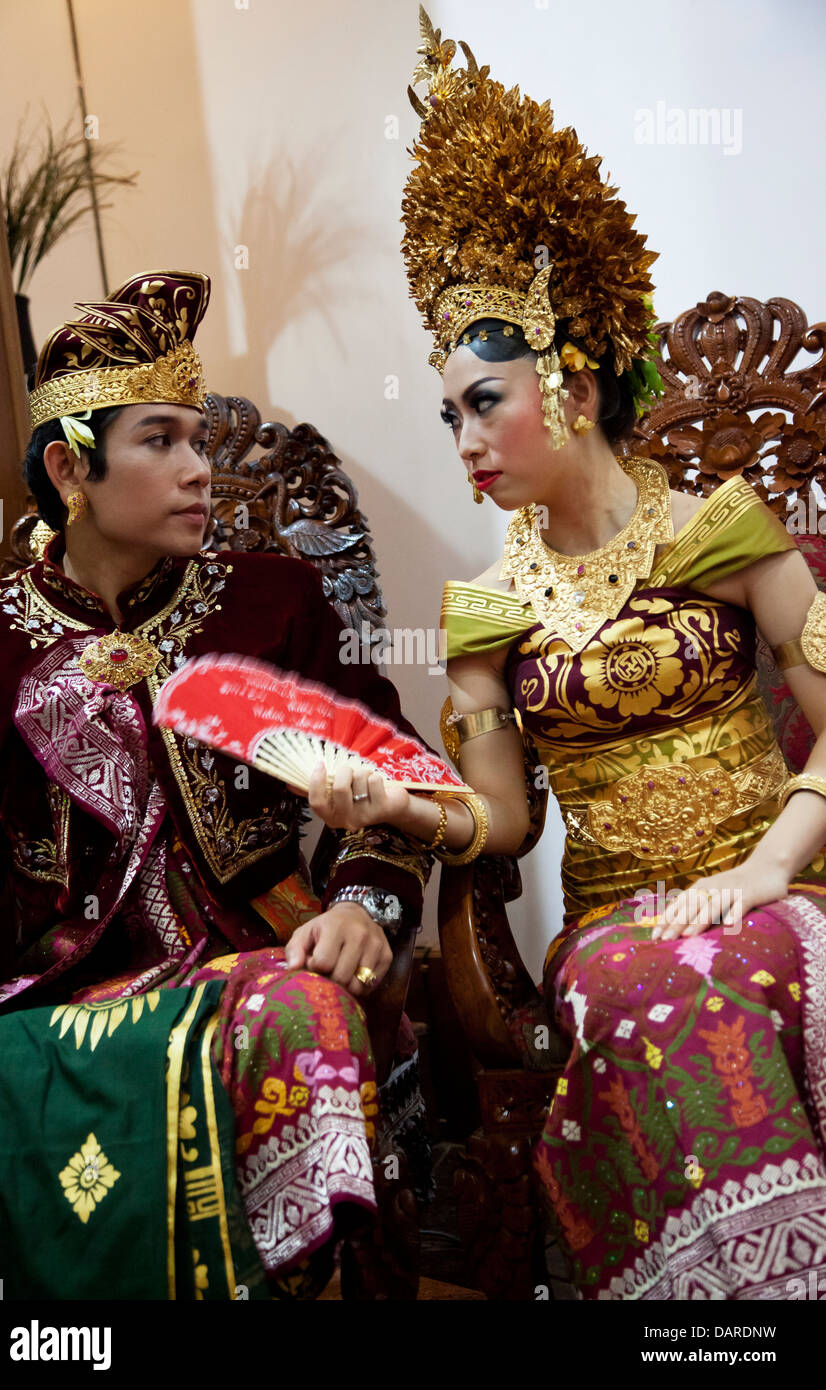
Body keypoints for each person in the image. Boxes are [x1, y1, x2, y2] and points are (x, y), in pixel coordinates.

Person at [307, 12, 826, 1299]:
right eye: (446, 415)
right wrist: (397, 804)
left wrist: (761, 872)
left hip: (780, 883)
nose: (463, 439)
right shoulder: (486, 610)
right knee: (653, 989)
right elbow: (498, 819)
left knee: (736, 971)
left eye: (484, 402)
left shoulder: (721, 532)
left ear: (575, 386)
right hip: (614, 922)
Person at [0, 270, 433, 1299]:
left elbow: (391, 774)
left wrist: (362, 904)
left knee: (297, 1012)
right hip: (56, 993)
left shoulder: (272, 603)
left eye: (198, 439)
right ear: (67, 467)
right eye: (159, 441)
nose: (197, 471)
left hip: (265, 952)